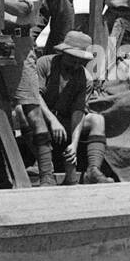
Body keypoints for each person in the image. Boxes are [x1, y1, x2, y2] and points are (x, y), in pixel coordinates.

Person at [30, 30, 109, 185]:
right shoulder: (45, 63)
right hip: (43, 118)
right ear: (63, 52)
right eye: (72, 58)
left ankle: (93, 170)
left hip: (66, 121)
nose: (75, 63)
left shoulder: (84, 77)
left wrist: (73, 143)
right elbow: (35, 96)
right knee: (21, 111)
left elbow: (78, 111)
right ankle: (45, 168)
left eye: (80, 60)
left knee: (97, 120)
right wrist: (53, 120)